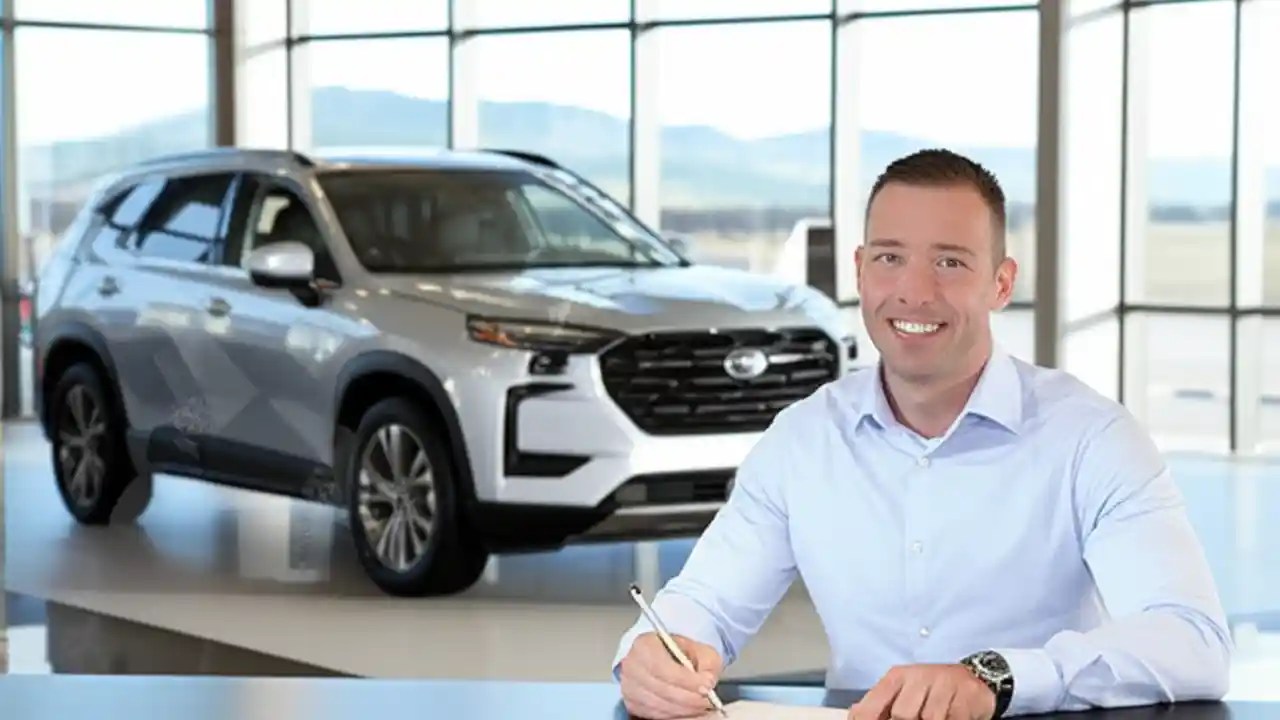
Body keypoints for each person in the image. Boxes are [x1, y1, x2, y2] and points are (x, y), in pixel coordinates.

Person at [611, 149, 1232, 720]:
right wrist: (651, 653)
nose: (914, 290)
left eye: (950, 262)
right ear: (859, 270)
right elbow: (704, 604)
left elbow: (1191, 640)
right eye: (889, 258)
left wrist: (997, 678)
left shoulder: (1091, 438)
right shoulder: (802, 440)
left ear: (1001, 282)